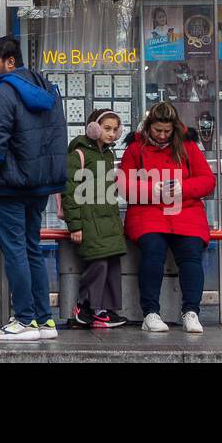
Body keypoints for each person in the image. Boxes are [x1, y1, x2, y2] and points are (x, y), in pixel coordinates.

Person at [0, 36, 67, 342]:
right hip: (39, 184)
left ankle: (25, 319)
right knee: (32, 250)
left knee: (15, 250)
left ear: (10, 62)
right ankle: (45, 321)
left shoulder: (3, 91)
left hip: (9, 185)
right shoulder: (46, 87)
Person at [119, 101, 214, 333]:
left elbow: (207, 180)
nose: (162, 136)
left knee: (191, 254)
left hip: (185, 213)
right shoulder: (135, 149)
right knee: (153, 252)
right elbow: (123, 185)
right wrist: (152, 190)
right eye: (157, 130)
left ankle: (191, 312)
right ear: (149, 126)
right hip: (148, 212)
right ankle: (150, 313)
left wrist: (185, 187)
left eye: (167, 131)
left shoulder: (188, 146)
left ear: (174, 128)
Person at [62, 109, 128, 328]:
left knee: (111, 264)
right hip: (89, 221)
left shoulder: (109, 155)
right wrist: (75, 225)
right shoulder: (78, 154)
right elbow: (70, 191)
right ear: (94, 128)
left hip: (108, 220)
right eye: (106, 128)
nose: (111, 134)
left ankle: (102, 310)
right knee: (98, 265)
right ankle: (85, 306)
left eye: (115, 130)